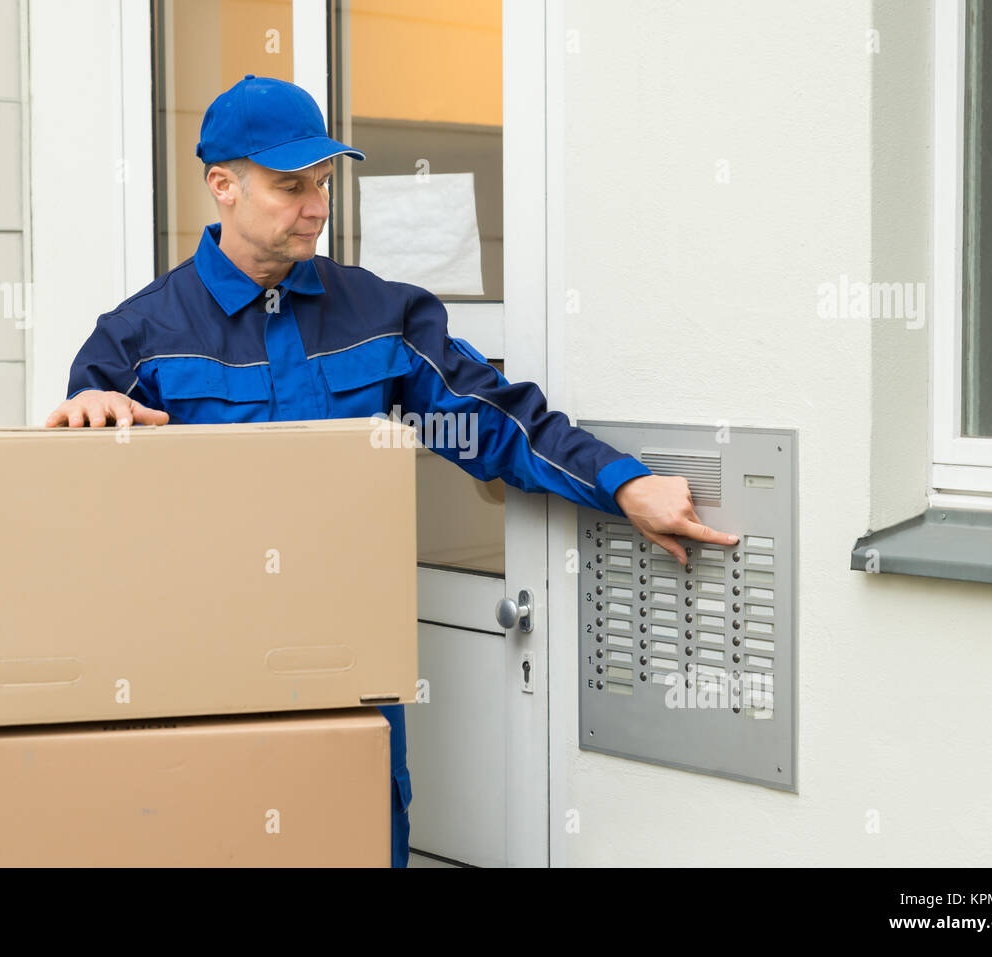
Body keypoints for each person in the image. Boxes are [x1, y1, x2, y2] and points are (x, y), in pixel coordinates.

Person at [46, 74, 736, 868]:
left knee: (363, 841)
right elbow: (87, 514)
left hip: (350, 660)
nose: (316, 208)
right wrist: (91, 421)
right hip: (202, 672)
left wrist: (622, 482)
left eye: (325, 184)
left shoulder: (382, 316)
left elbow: (495, 422)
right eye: (290, 186)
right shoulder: (135, 339)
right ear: (222, 187)